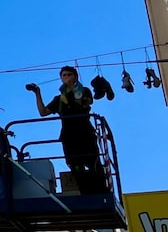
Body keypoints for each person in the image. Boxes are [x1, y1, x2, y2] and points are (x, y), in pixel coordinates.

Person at [26, 66, 108, 194]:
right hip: (69, 136)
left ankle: (103, 192)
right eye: (64, 75)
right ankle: (86, 193)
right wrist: (37, 93)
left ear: (75, 77)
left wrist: (72, 87)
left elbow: (85, 102)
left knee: (94, 164)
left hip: (85, 134)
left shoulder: (84, 91)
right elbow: (43, 112)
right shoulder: (59, 99)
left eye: (69, 74)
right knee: (76, 167)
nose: (66, 77)